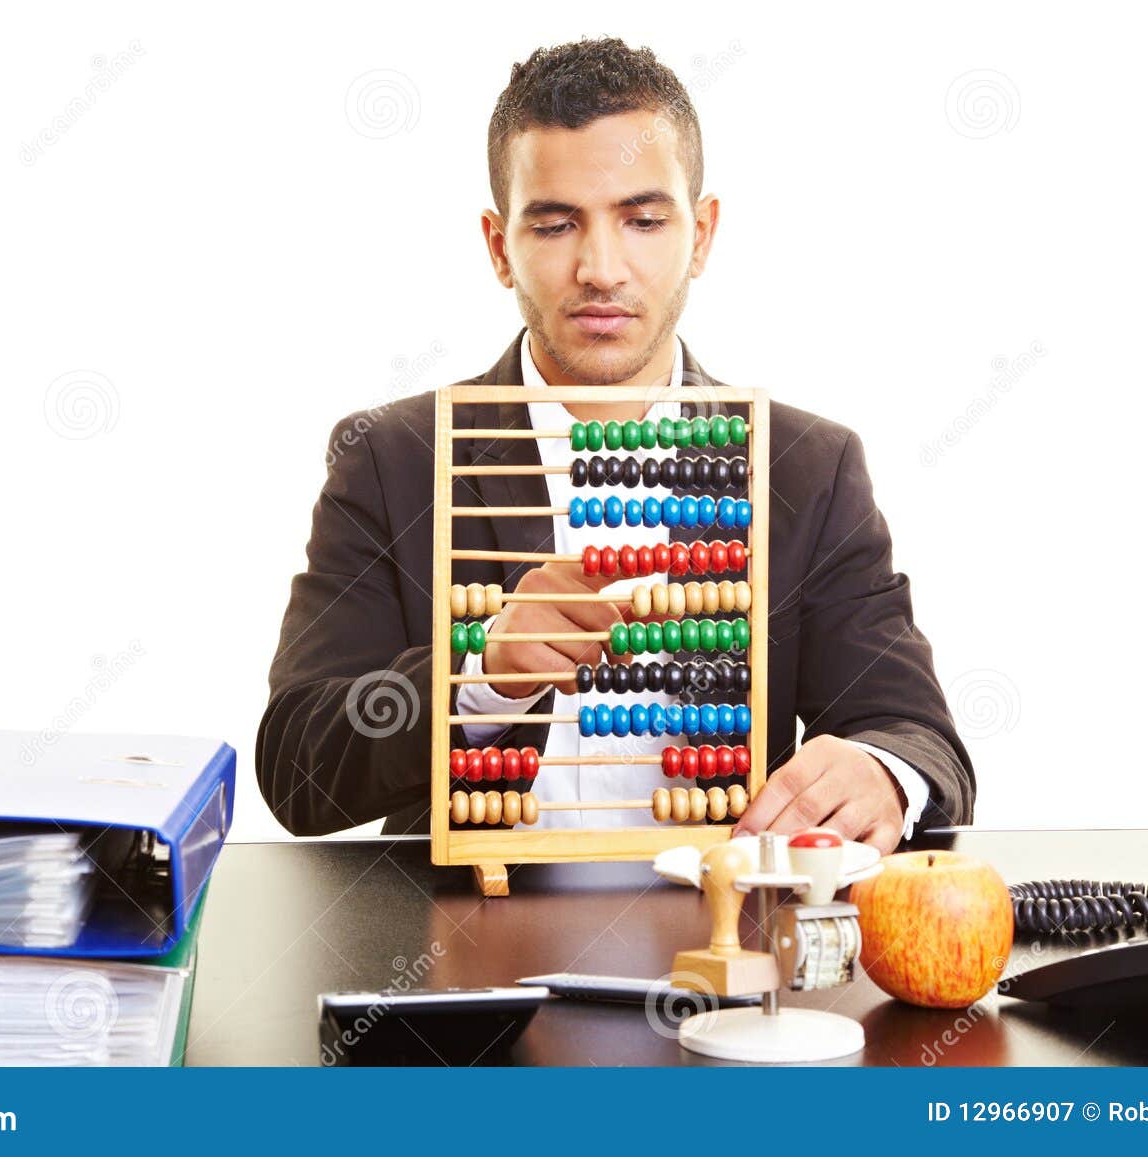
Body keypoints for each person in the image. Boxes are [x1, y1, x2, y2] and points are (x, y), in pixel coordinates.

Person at [258, 38, 974, 853]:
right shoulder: (393, 459)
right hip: (466, 923)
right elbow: (296, 769)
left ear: (701, 235)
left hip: (724, 920)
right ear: (499, 248)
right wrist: (480, 676)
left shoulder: (804, 467)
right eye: (555, 224)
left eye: (643, 220)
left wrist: (883, 773)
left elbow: (918, 736)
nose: (601, 269)